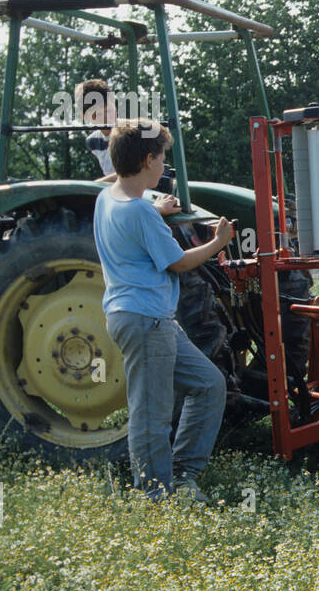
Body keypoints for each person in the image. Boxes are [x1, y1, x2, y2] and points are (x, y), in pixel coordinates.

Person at [93, 120, 234, 502]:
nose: (164, 167)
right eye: (162, 159)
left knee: (208, 384)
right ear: (148, 159)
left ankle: (183, 472)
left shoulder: (108, 198)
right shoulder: (139, 213)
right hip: (146, 320)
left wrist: (155, 207)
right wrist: (218, 242)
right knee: (152, 412)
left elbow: (130, 202)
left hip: (147, 318)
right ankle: (157, 495)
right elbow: (179, 264)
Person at [75, 79, 118, 182]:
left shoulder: (130, 132)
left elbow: (131, 174)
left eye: (108, 110)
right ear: (85, 117)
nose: (106, 117)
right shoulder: (93, 141)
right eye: (97, 114)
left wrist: (97, 184)